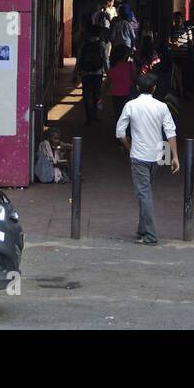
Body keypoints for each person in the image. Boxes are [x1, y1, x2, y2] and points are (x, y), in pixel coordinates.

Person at [115, 73, 179, 245]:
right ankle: (142, 229)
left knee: (144, 194)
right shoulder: (162, 107)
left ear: (137, 88)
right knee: (146, 191)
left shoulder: (131, 105)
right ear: (154, 88)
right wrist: (175, 157)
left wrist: (129, 147)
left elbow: (120, 132)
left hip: (139, 154)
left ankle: (150, 235)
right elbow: (170, 131)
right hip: (158, 153)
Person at [77, 28, 108, 125]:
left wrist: (76, 72)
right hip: (98, 73)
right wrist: (108, 72)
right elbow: (105, 59)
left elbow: (79, 59)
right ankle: (95, 115)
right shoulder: (102, 44)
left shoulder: (84, 44)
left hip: (85, 73)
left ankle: (88, 118)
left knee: (86, 95)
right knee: (96, 94)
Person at [107, 44, 136, 117]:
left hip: (115, 94)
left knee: (118, 115)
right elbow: (134, 77)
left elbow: (109, 80)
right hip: (128, 93)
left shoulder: (113, 66)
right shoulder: (130, 65)